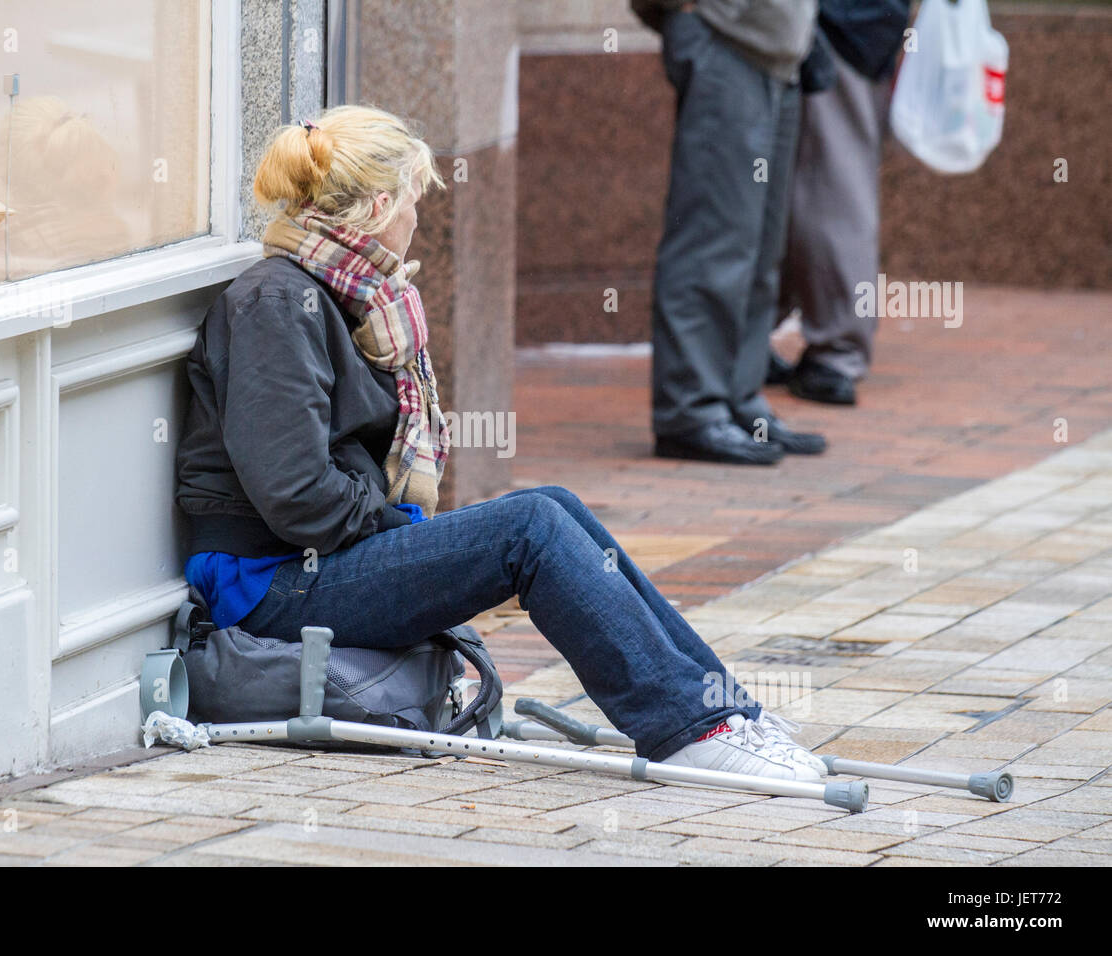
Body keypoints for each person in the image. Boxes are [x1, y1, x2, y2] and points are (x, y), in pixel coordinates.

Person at [173, 105, 824, 781]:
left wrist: (391, 523)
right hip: (273, 585)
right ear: (381, 205)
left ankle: (720, 712)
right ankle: (687, 728)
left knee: (553, 503)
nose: (416, 222)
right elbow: (298, 499)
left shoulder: (345, 297)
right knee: (531, 527)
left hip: (319, 556)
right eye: (415, 203)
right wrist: (395, 522)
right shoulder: (276, 305)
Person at [633, 0, 827, 465]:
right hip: (725, 42)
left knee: (757, 249)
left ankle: (739, 403)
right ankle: (691, 412)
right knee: (713, 242)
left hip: (774, 52)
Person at [769, 0, 913, 405]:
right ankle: (759, 335)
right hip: (857, 25)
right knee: (818, 183)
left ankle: (837, 354)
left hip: (839, 27)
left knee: (832, 188)